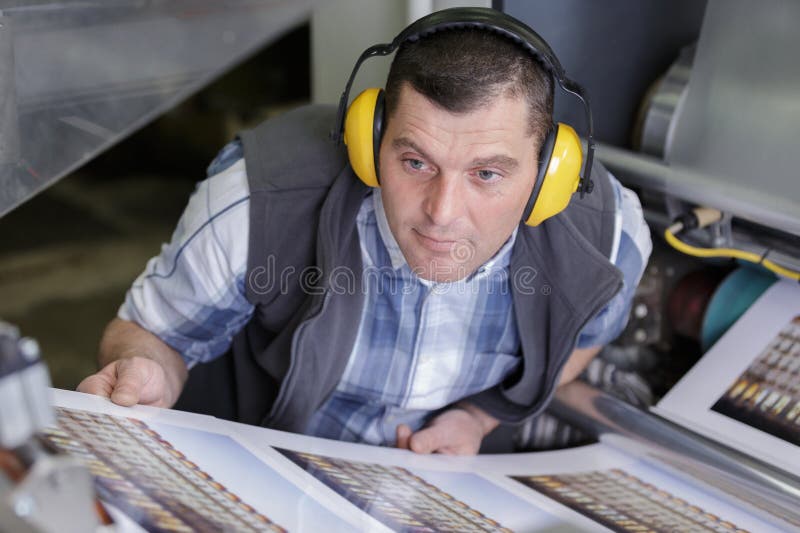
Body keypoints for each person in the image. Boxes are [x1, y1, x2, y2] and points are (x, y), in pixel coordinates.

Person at [77, 8, 651, 455]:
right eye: (416, 162)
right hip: (260, 459)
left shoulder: (607, 237)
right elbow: (156, 334)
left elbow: (589, 334)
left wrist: (478, 418)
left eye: (487, 174)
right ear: (369, 142)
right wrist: (146, 369)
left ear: (549, 176)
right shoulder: (260, 197)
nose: (442, 212)